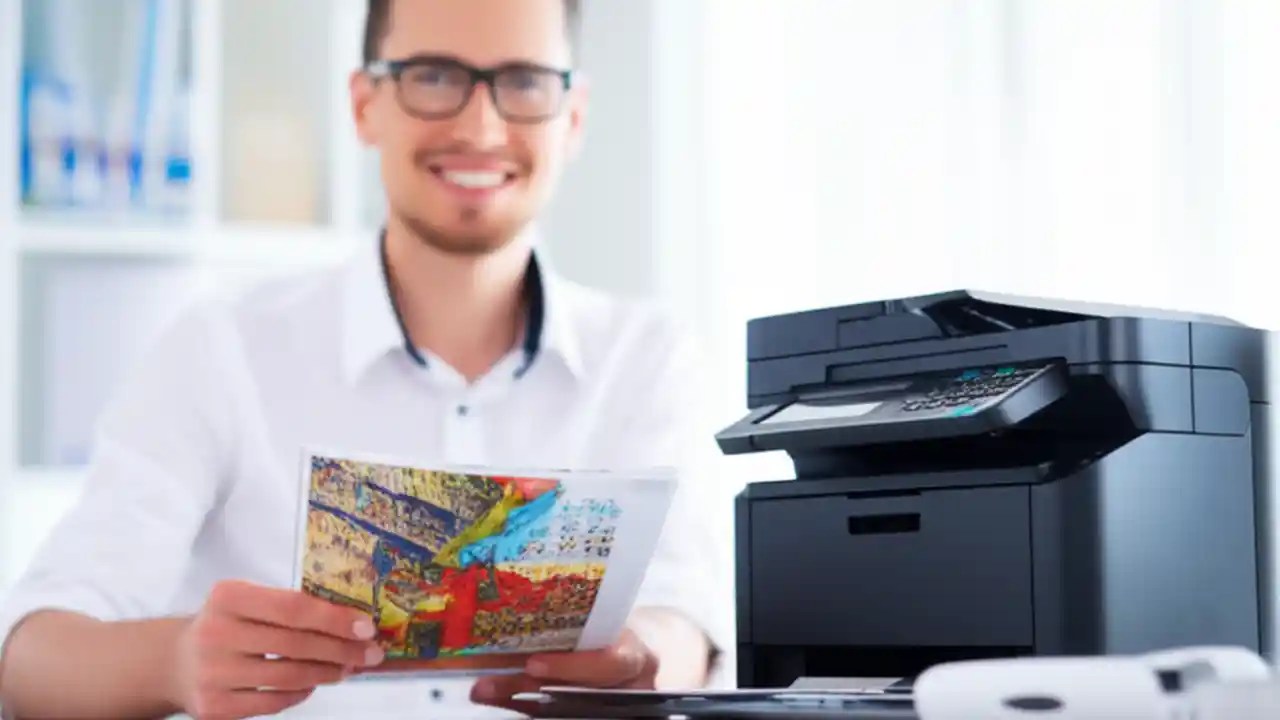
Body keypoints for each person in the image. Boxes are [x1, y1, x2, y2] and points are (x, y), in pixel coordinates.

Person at [0, 0, 728, 717]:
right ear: (363, 105)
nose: (480, 126)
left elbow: (686, 618)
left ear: (574, 117)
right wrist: (174, 660)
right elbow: (30, 664)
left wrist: (646, 655)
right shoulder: (221, 350)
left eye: (526, 81)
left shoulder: (647, 359)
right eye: (434, 76)